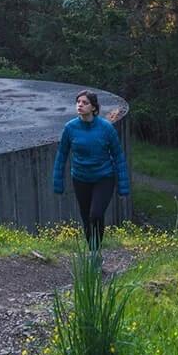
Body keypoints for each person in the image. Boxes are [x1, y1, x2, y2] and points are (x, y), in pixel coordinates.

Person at [52, 89, 129, 250]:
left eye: (85, 102)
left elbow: (118, 156)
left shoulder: (106, 128)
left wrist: (123, 187)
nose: (80, 105)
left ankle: (96, 249)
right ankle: (94, 253)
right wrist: (57, 183)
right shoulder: (70, 128)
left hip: (104, 177)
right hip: (81, 179)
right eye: (78, 102)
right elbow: (61, 155)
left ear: (94, 107)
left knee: (96, 214)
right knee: (87, 219)